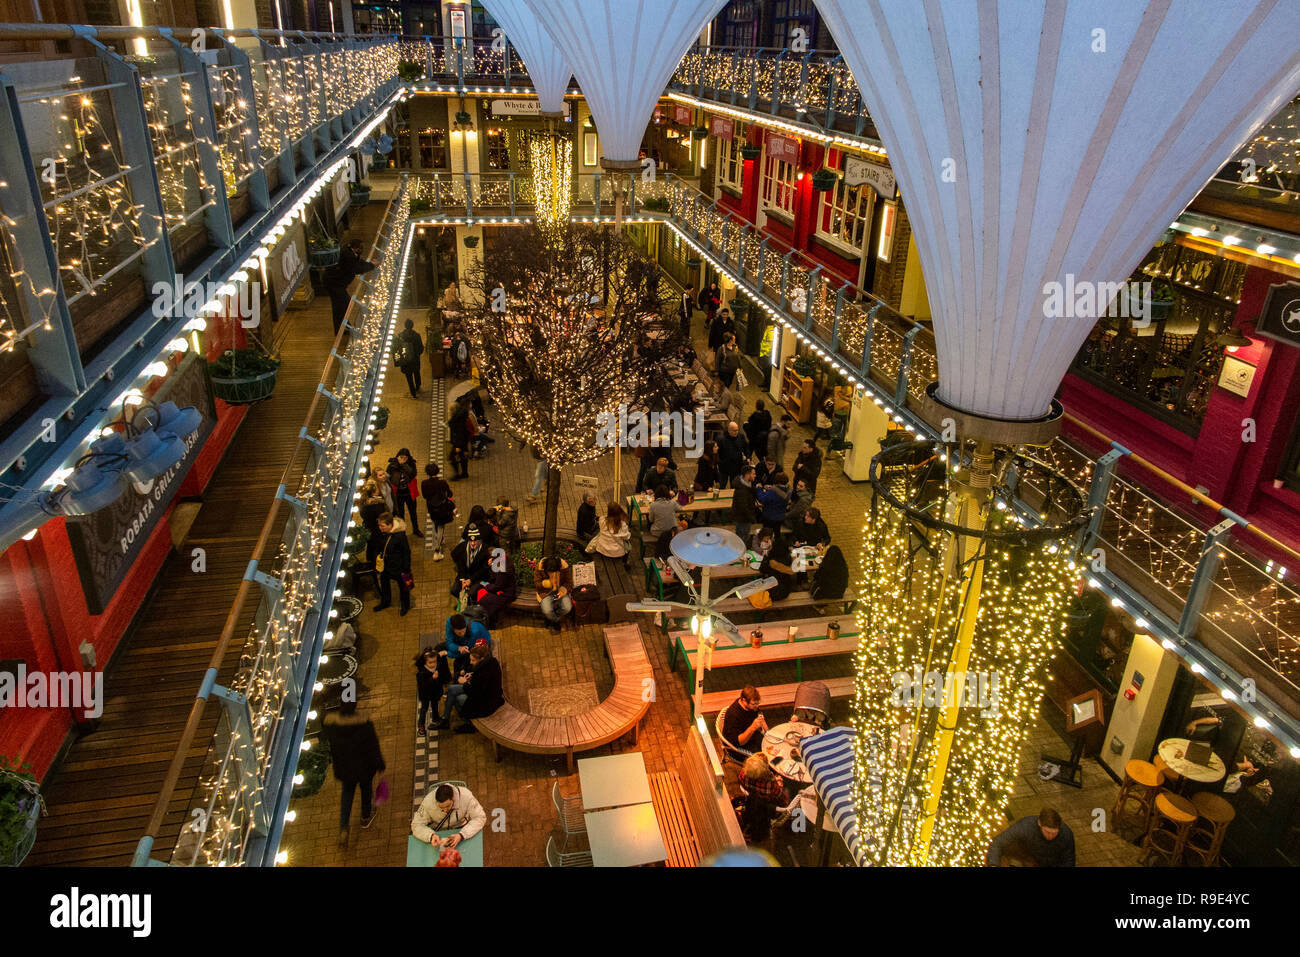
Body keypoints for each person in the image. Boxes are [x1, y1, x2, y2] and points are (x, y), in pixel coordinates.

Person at [321, 700, 386, 848]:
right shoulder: (364, 723)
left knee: (347, 795)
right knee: (366, 789)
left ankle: (344, 826)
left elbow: (327, 742)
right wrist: (380, 764)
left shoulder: (332, 724)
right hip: (364, 767)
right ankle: (365, 817)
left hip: (345, 769)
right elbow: (373, 746)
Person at [440, 643, 504, 733]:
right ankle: (445, 719)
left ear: (481, 659)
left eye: (473, 660)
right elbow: (479, 681)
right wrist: (472, 675)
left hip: (485, 703)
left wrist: (465, 682)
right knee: (451, 689)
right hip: (482, 693)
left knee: (456, 698)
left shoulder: (483, 673)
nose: (470, 662)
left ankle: (469, 723)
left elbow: (476, 693)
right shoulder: (491, 662)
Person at [987, 807, 1075, 867]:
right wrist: (993, 864)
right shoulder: (1025, 827)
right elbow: (997, 842)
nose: (1051, 836)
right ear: (1039, 823)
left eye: (1054, 833)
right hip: (1028, 860)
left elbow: (1069, 860)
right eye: (1047, 832)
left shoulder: (1066, 834)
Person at [324, 239, 376, 335]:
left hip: (336, 283)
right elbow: (356, 269)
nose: (362, 250)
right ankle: (344, 328)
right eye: (361, 248)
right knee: (344, 304)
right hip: (335, 284)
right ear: (355, 248)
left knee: (339, 306)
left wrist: (370, 264)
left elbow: (359, 262)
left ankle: (342, 328)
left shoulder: (349, 252)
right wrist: (371, 266)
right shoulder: (348, 256)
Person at [412, 782, 487, 848]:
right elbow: (416, 825)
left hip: (461, 828)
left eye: (448, 806)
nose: (445, 810)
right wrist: (430, 836)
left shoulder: (466, 796)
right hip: (437, 832)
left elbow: (480, 817)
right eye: (441, 807)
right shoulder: (428, 802)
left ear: (453, 798)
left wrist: (462, 835)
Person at [373, 511, 412, 615]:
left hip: (398, 566)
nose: (380, 528)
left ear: (390, 525)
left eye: (382, 526)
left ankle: (405, 606)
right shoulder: (382, 533)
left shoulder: (400, 536)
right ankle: (385, 601)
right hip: (385, 566)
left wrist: (406, 568)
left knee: (403, 587)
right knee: (384, 584)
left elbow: (406, 552)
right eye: (379, 525)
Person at [739, 753, 783, 842]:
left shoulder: (743, 775)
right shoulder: (770, 784)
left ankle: (747, 831)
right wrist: (780, 784)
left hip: (750, 801)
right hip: (765, 807)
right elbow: (779, 795)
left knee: (751, 817)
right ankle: (754, 838)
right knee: (760, 828)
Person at [469, 551, 517, 628]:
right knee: (482, 594)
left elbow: (497, 586)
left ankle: (490, 622)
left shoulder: (503, 571)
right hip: (504, 590)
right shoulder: (506, 563)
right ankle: (488, 618)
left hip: (506, 594)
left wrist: (487, 586)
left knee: (485, 599)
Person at [413, 647, 450, 737]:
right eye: (430, 662)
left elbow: (442, 674)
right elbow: (423, 685)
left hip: (435, 692)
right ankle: (421, 727)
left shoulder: (438, 665)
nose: (433, 664)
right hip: (425, 694)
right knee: (424, 709)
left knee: (435, 705)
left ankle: (435, 718)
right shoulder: (421, 671)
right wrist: (432, 679)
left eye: (434, 662)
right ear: (425, 661)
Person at [721, 685, 768, 756]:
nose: (757, 706)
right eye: (754, 704)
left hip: (752, 738)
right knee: (765, 757)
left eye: (758, 703)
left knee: (771, 747)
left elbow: (760, 717)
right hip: (737, 748)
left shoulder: (752, 707)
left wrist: (768, 733)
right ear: (744, 700)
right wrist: (753, 727)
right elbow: (739, 742)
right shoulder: (734, 715)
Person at [421, 463, 455, 561]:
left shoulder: (424, 483)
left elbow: (424, 496)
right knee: (441, 527)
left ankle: (440, 540)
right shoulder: (442, 483)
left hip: (431, 508)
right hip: (442, 509)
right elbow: (449, 493)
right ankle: (437, 551)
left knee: (435, 524)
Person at [386, 449, 422, 537]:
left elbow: (412, 473)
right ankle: (402, 531)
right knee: (400, 514)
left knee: (413, 512)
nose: (403, 459)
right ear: (397, 456)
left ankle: (416, 529)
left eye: (405, 458)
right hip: (398, 494)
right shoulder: (392, 465)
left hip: (409, 493)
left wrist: (404, 465)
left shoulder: (410, 464)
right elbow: (388, 476)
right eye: (401, 457)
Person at [444, 612, 492, 678]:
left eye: (463, 631)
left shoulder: (474, 631)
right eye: (459, 633)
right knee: (439, 648)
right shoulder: (449, 623)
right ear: (453, 629)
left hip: (476, 645)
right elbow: (449, 642)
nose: (462, 634)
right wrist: (459, 648)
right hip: (465, 644)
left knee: (461, 663)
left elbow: (468, 652)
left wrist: (448, 653)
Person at [586, 502, 632, 568]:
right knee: (628, 546)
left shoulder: (602, 520)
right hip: (617, 552)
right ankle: (625, 563)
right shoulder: (622, 525)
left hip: (602, 548)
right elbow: (627, 537)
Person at [535, 555, 573, 630]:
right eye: (550, 572)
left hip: (560, 591)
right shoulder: (540, 568)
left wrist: (564, 589)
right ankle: (555, 621)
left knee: (567, 608)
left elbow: (569, 582)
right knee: (547, 611)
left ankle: (552, 617)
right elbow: (536, 584)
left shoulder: (563, 567)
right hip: (545, 593)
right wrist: (545, 584)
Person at [358, 480, 387, 565]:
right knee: (377, 548)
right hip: (376, 530)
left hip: (368, 528)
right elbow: (382, 516)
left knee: (370, 547)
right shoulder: (377, 505)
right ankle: (377, 564)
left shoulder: (364, 503)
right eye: (377, 489)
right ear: (374, 492)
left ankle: (370, 561)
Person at [395, 318, 424, 397]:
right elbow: (421, 348)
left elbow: (397, 349)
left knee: (409, 377)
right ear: (412, 326)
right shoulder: (417, 336)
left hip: (405, 361)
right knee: (416, 373)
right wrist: (417, 354)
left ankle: (413, 392)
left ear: (405, 326)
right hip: (415, 360)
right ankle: (418, 386)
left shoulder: (400, 336)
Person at [731, 465, 759, 545]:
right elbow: (744, 508)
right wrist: (752, 518)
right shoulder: (742, 491)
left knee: (744, 537)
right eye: (753, 474)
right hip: (742, 519)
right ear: (747, 475)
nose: (755, 475)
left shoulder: (747, 484)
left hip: (744, 518)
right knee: (742, 539)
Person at [718, 421, 750, 487]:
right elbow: (718, 453)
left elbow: (746, 448)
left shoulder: (741, 437)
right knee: (722, 485)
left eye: (737, 430)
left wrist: (748, 457)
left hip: (736, 467)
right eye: (734, 431)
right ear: (729, 430)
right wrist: (719, 462)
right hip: (724, 467)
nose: (736, 432)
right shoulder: (721, 439)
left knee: (734, 486)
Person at [448, 401, 471, 480]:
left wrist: (458, 446)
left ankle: (457, 474)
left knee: (452, 458)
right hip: (462, 441)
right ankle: (464, 473)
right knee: (462, 457)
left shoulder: (458, 421)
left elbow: (460, 433)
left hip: (459, 442)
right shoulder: (460, 418)